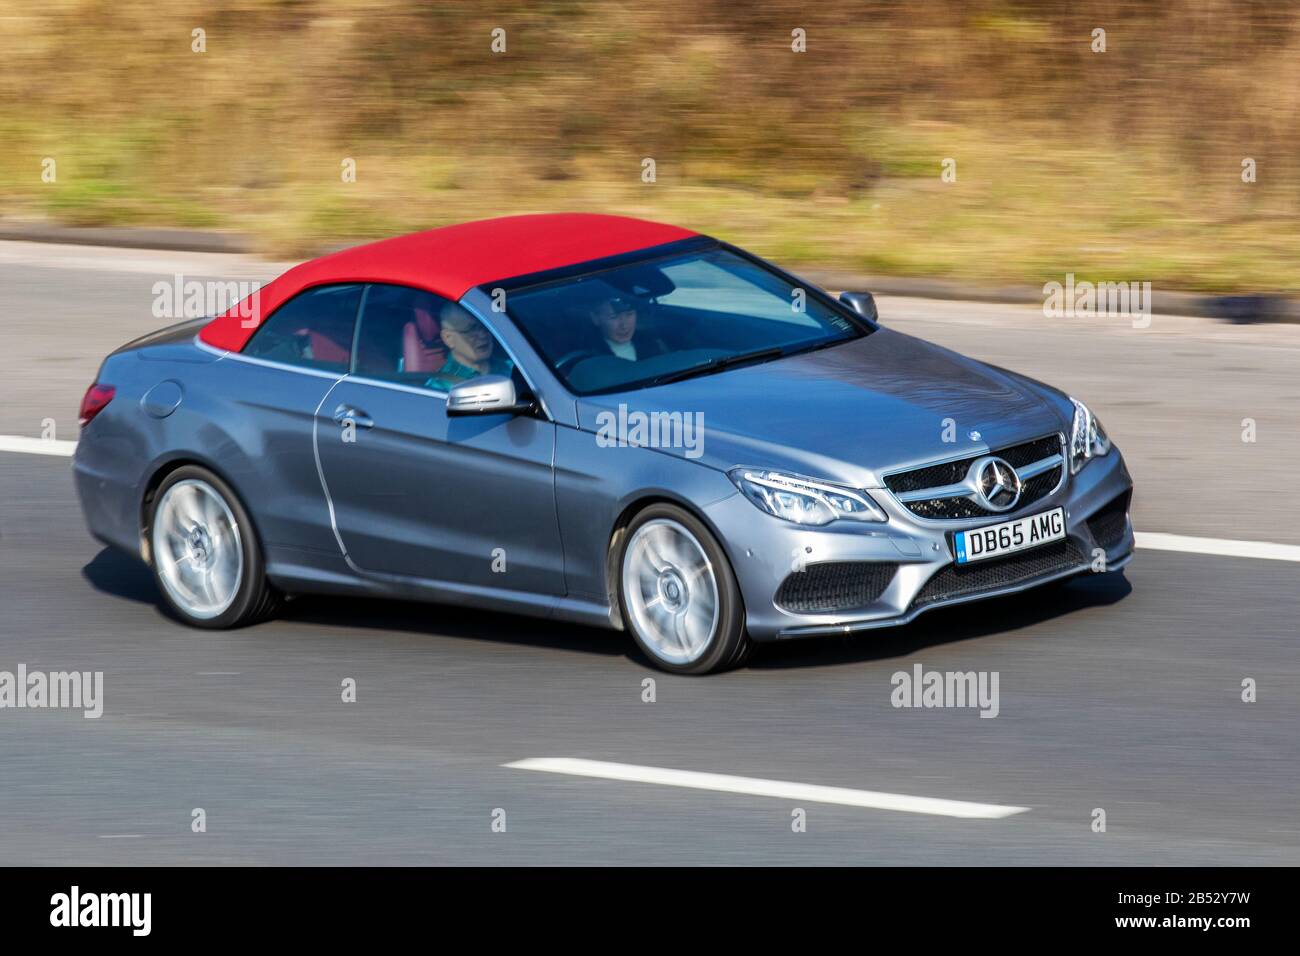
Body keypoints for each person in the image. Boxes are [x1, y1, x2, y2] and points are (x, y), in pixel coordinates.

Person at [425, 302, 511, 390]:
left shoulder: (514, 366)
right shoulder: (439, 387)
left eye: (485, 325)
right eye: (471, 329)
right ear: (448, 338)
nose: (483, 335)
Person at [590, 295, 667, 361]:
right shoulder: (588, 356)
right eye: (614, 317)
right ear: (595, 318)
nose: (624, 325)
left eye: (629, 314)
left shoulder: (651, 343)